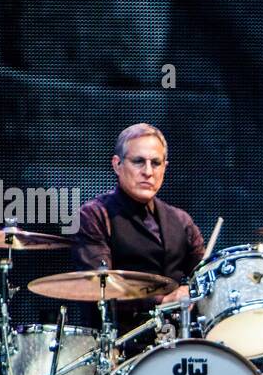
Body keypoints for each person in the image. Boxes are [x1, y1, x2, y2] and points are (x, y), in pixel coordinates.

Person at [72, 123, 202, 326]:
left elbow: (206, 276)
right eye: (139, 161)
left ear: (165, 168)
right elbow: (100, 287)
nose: (148, 172)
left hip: (179, 340)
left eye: (156, 163)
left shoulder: (181, 220)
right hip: (122, 343)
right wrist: (163, 301)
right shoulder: (94, 215)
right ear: (117, 165)